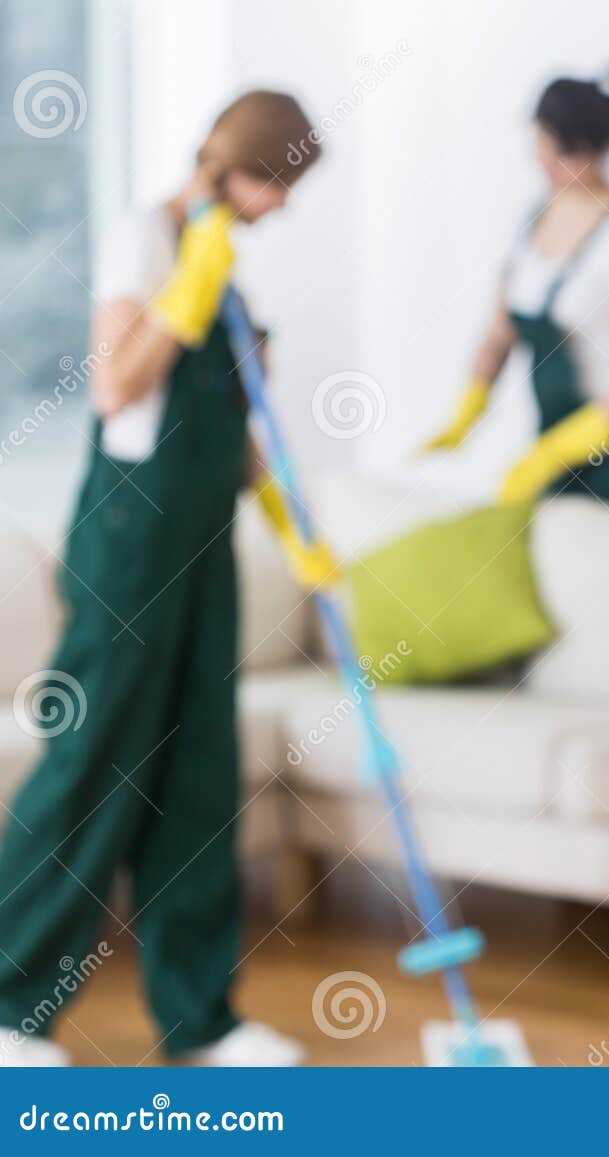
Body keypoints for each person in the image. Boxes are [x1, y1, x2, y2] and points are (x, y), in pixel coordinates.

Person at [0, 91, 335, 1067]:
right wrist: (182, 297)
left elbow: (243, 432)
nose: (280, 206)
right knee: (91, 759)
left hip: (204, 540)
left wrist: (292, 523)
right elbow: (114, 385)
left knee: (199, 774)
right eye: (277, 182)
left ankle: (202, 1021)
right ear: (234, 166)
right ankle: (10, 1002)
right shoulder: (141, 236)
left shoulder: (226, 265)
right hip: (128, 542)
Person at [421, 70, 609, 515]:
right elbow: (501, 332)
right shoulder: (532, 218)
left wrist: (561, 449)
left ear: (597, 151)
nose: (549, 164)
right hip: (554, 450)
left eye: (565, 155)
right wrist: (469, 407)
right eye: (543, 146)